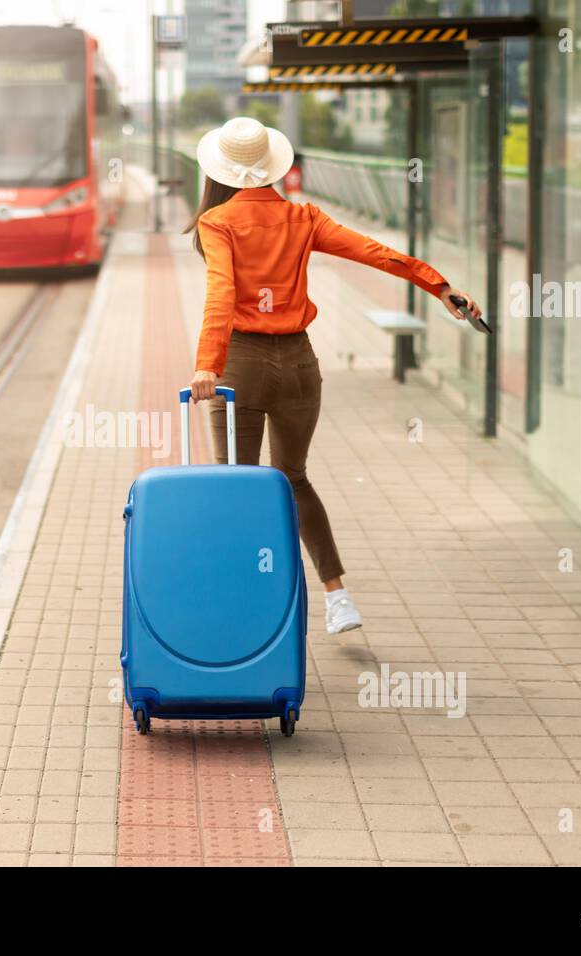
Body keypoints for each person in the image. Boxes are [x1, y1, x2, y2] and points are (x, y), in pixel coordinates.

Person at [185, 117, 481, 634]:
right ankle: (337, 597)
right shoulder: (303, 216)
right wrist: (440, 286)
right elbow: (375, 253)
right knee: (294, 478)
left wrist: (208, 364)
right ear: (272, 166)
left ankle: (245, 601)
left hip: (241, 367)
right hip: (300, 365)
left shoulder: (218, 222)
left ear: (219, 171)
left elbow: (222, 295)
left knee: (235, 487)